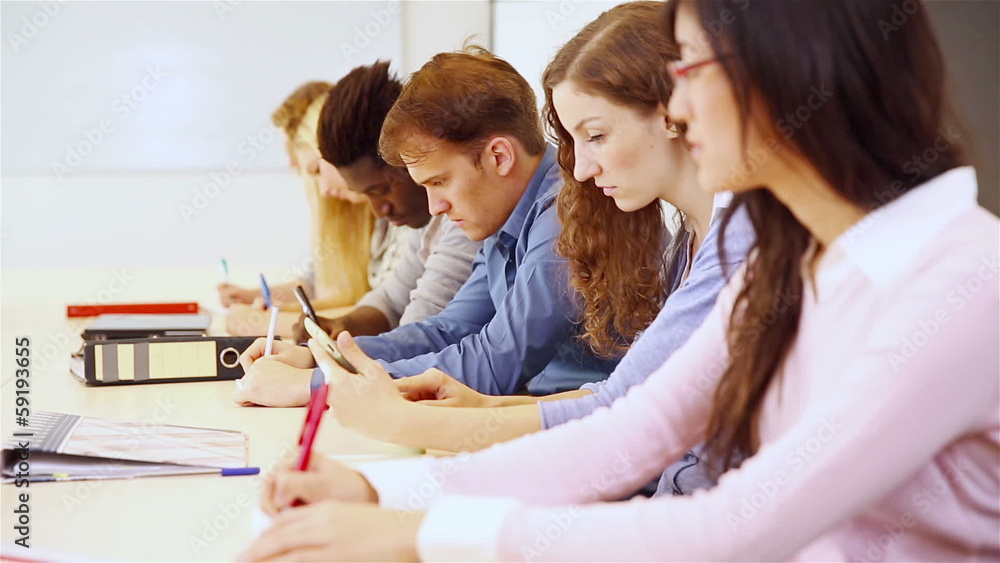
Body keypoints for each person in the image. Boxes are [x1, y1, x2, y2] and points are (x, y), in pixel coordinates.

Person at [241, 0, 999, 560]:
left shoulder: (957, 281)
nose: (672, 106)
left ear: (786, 70)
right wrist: (386, 495)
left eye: (689, 69)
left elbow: (734, 527)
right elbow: (627, 432)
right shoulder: (783, 257)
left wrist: (421, 535)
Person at [288, 3, 754, 501]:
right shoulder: (691, 240)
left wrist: (391, 423)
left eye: (596, 135)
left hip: (643, 499)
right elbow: (623, 399)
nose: (581, 170)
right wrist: (480, 412)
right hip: (637, 489)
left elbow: (617, 414)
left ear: (672, 112)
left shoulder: (735, 240)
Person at [234, 47, 620, 408]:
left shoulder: (564, 215)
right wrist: (322, 359)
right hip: (536, 416)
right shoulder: (508, 212)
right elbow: (449, 329)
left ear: (499, 157)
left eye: (439, 182)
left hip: (589, 439)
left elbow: (494, 364)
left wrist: (316, 386)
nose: (435, 207)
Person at [233, 63, 482, 407]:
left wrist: (318, 376)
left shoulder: (461, 217)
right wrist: (342, 328)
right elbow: (394, 300)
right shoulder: (432, 219)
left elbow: (427, 334)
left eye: (380, 190)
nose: (377, 209)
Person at [220, 82, 376, 335]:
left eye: (312, 167)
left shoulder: (382, 214)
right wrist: (257, 298)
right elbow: (314, 283)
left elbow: (378, 310)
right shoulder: (336, 218)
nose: (291, 164)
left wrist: (269, 320)